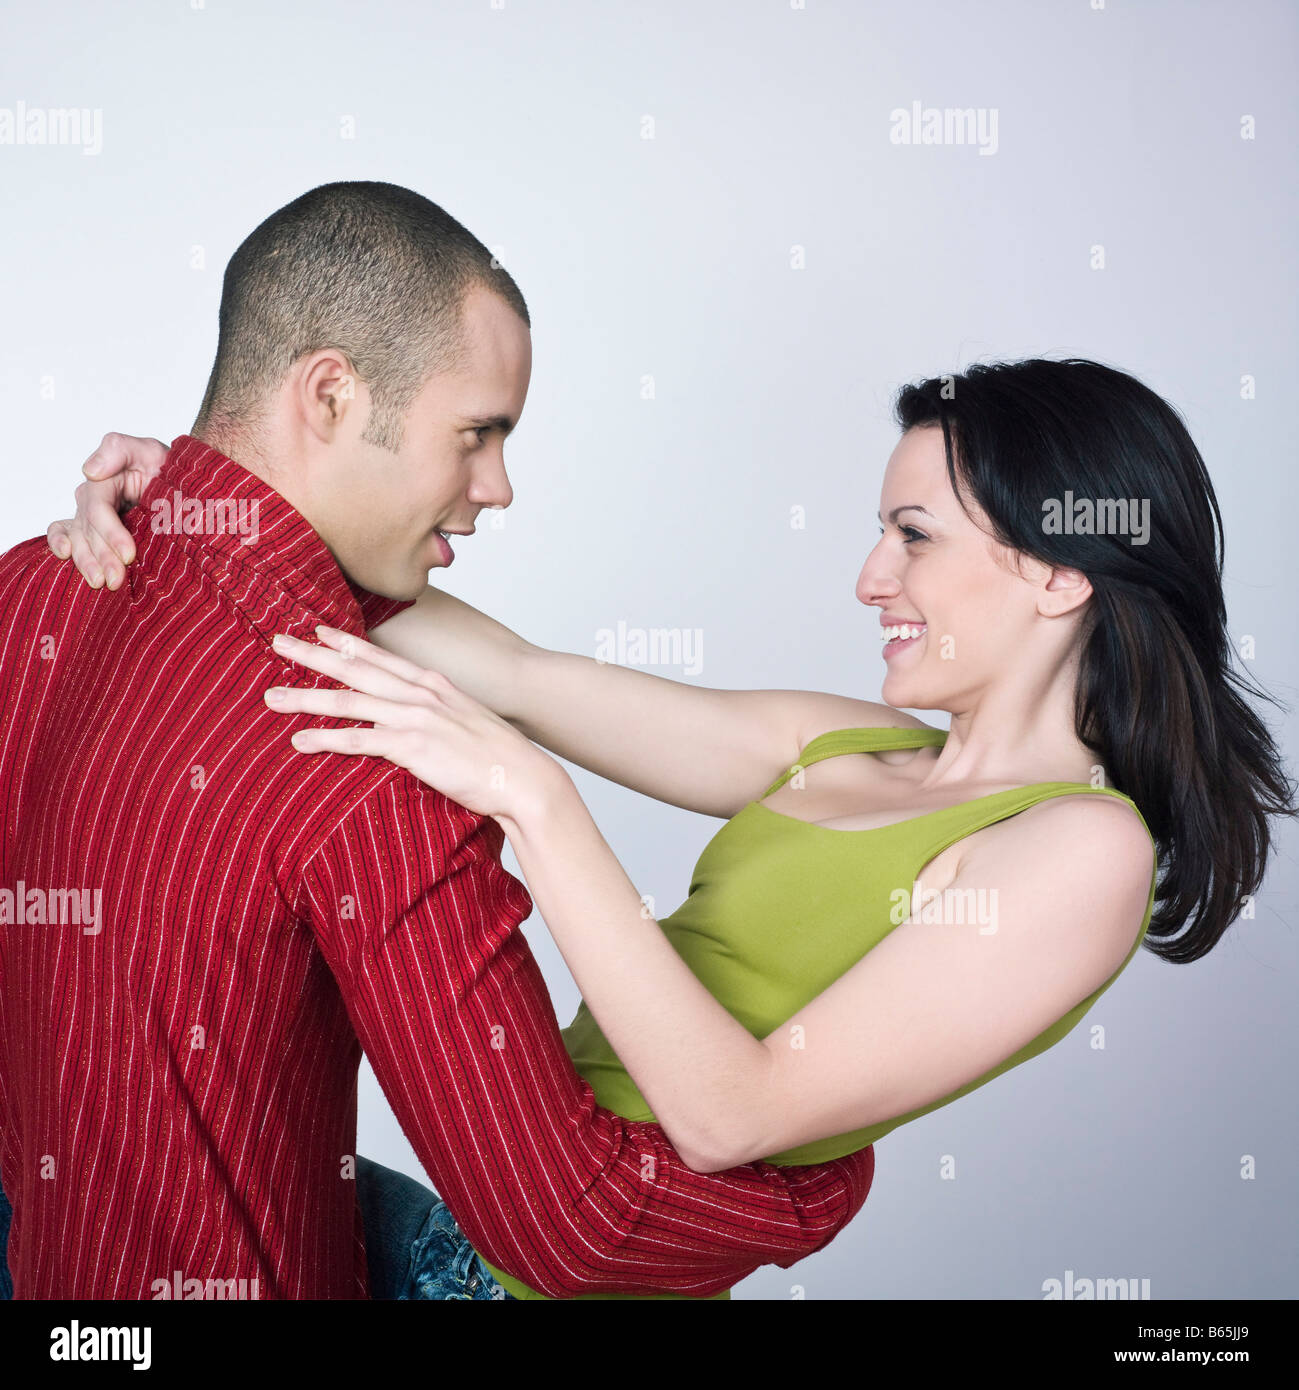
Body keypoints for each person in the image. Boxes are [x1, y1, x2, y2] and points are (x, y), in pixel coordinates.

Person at [38, 357, 1298, 1300]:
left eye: (914, 537)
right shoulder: (847, 739)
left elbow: (734, 1114)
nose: (871, 577)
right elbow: (521, 674)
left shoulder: (1087, 851)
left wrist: (533, 797)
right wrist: (223, 509)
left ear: (1062, 570)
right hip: (458, 1228)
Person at [0, 180, 878, 1301]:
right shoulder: (363, 741)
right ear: (330, 394)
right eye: (478, 432)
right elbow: (576, 1230)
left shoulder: (34, 588)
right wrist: (832, 1158)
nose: (500, 487)